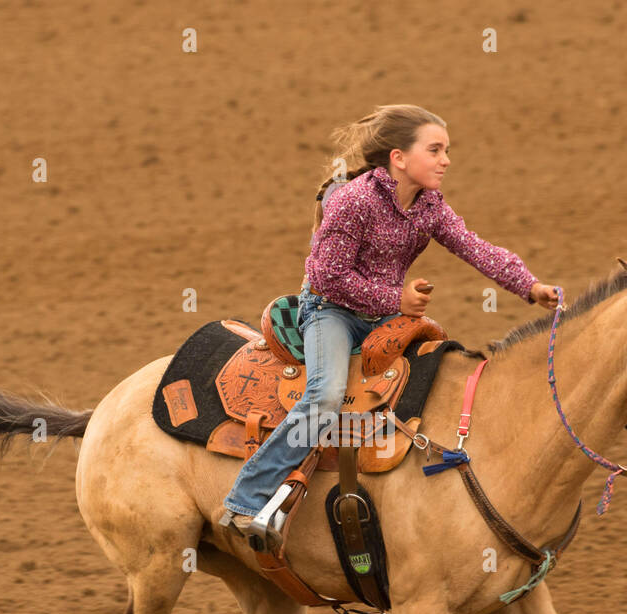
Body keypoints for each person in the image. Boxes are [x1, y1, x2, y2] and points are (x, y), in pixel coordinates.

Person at [219, 104, 562, 548]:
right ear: (399, 158)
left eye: (447, 150)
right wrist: (396, 299)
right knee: (324, 395)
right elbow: (328, 277)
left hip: (385, 318)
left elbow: (475, 248)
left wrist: (529, 286)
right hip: (330, 312)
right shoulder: (353, 201)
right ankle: (246, 498)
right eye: (435, 150)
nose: (446, 160)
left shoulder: (430, 205)